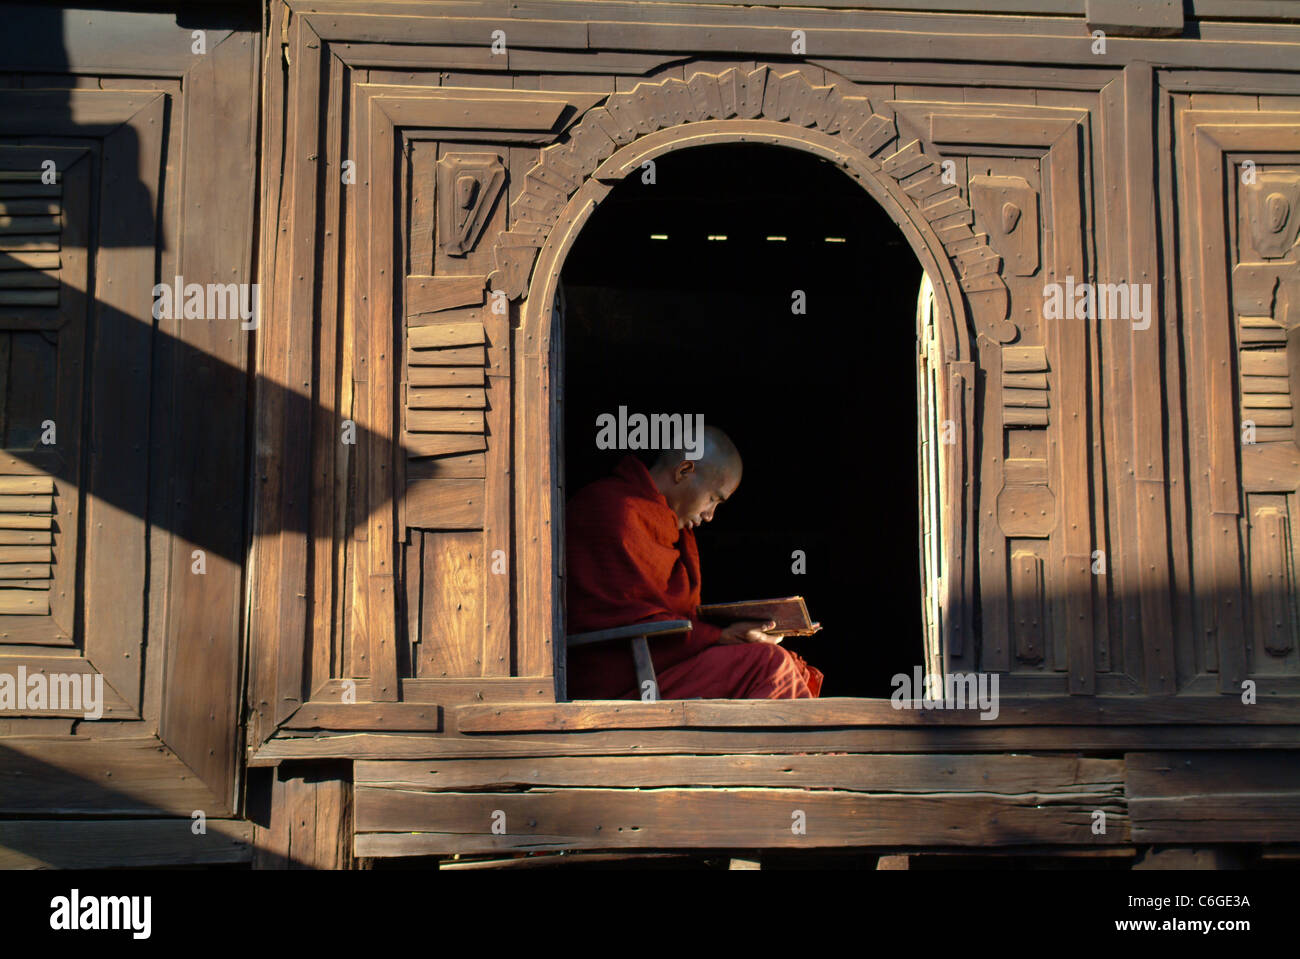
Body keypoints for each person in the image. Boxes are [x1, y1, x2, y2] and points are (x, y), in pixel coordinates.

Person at [565, 425, 824, 699]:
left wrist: (731, 631)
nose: (710, 515)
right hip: (620, 675)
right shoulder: (614, 510)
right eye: (713, 499)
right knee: (770, 666)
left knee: (783, 664)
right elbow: (625, 616)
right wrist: (719, 636)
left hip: (664, 660)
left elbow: (668, 614)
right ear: (684, 470)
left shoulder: (670, 526)